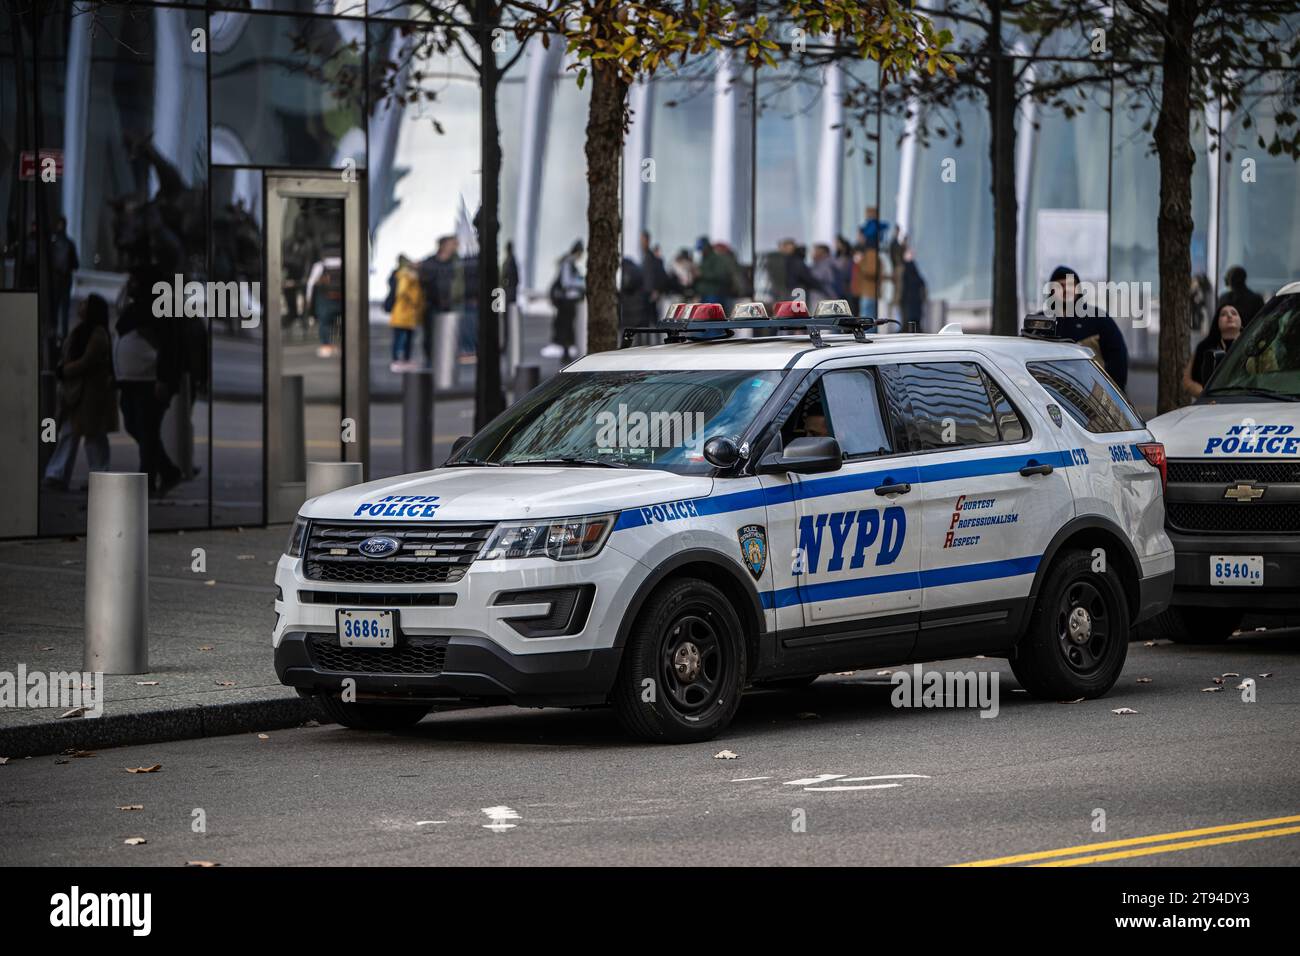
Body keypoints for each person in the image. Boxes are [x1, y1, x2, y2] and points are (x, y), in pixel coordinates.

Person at [42, 294, 116, 490]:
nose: (81, 306)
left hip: (91, 395)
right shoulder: (80, 331)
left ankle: (96, 476)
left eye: (85, 303)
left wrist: (64, 371)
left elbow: (86, 361)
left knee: (92, 437)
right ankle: (58, 474)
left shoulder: (98, 334)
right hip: (77, 394)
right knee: (72, 433)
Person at [115, 281, 182, 497]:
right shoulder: (132, 312)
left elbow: (167, 348)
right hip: (131, 380)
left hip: (148, 381)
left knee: (147, 431)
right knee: (136, 427)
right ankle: (168, 470)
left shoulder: (156, 314)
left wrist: (162, 379)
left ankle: (148, 481)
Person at [1046, 264, 1129, 390]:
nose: (1065, 290)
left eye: (1070, 285)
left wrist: (1111, 393)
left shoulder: (1098, 319)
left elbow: (1118, 358)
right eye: (1060, 286)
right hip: (1049, 393)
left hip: (1090, 397)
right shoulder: (1040, 322)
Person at [1183, 303, 1242, 398]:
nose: (1229, 316)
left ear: (1241, 322)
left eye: (1234, 313)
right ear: (1217, 323)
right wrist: (1206, 395)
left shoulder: (1250, 345)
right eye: (1223, 314)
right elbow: (1187, 380)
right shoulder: (1204, 347)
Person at [544, 240, 585, 359]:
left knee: (566, 326)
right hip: (567, 301)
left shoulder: (568, 263)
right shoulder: (568, 263)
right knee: (567, 326)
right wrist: (581, 284)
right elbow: (567, 282)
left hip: (566, 301)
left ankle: (566, 351)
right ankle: (565, 352)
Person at [388, 254, 424, 372]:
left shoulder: (409, 276)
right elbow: (402, 292)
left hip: (407, 313)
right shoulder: (406, 276)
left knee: (406, 337)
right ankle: (397, 360)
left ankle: (404, 359)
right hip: (404, 312)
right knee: (400, 337)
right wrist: (414, 300)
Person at [305, 249, 344, 358]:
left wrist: (308, 300)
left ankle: (326, 346)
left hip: (326, 298)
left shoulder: (320, 265)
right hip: (342, 298)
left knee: (325, 323)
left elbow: (311, 283)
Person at [48, 217, 80, 339]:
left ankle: (54, 333)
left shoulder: (53, 243)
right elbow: (76, 264)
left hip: (56, 281)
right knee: (64, 310)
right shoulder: (69, 243)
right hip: (66, 280)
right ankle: (64, 335)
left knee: (55, 309)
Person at [899, 242, 928, 332]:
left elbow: (920, 282)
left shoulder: (908, 266)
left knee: (910, 321)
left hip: (911, 300)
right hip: (911, 300)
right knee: (912, 321)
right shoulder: (908, 267)